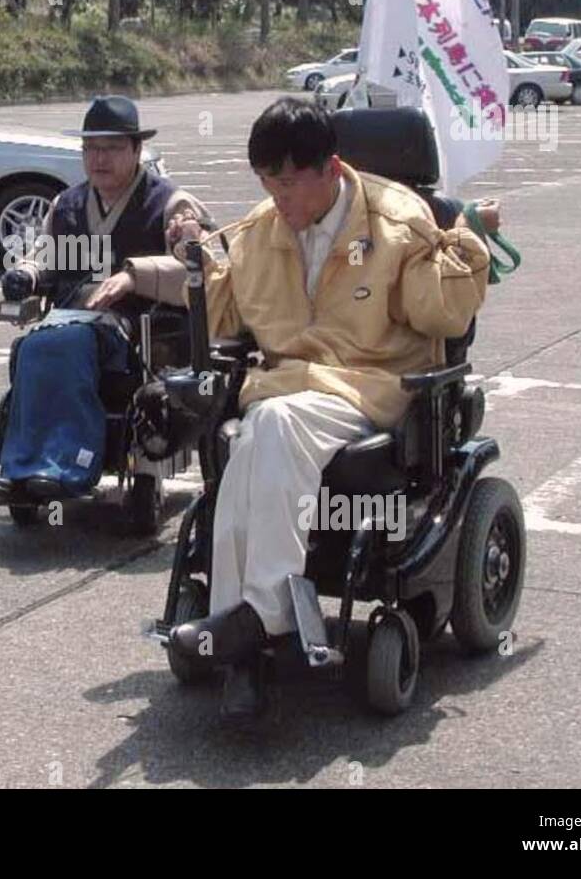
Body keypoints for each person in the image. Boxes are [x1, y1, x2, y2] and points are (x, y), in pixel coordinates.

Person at [166, 100, 496, 722]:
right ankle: (250, 639)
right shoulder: (261, 230)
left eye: (289, 181)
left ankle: (253, 623)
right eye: (266, 180)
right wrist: (196, 262)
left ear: (332, 167)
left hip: (375, 388)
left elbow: (444, 317)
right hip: (286, 390)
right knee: (252, 433)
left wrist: (462, 245)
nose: (277, 195)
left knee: (270, 423)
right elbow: (226, 319)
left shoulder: (401, 220)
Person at [0, 95, 213, 504]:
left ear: (137, 149)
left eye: (111, 148)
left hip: (137, 333)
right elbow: (45, 256)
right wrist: (25, 274)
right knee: (32, 346)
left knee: (59, 344)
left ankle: (65, 464)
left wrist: (136, 274)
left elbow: (206, 274)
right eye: (91, 148)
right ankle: (20, 466)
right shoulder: (67, 206)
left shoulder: (170, 205)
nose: (98, 159)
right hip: (71, 323)